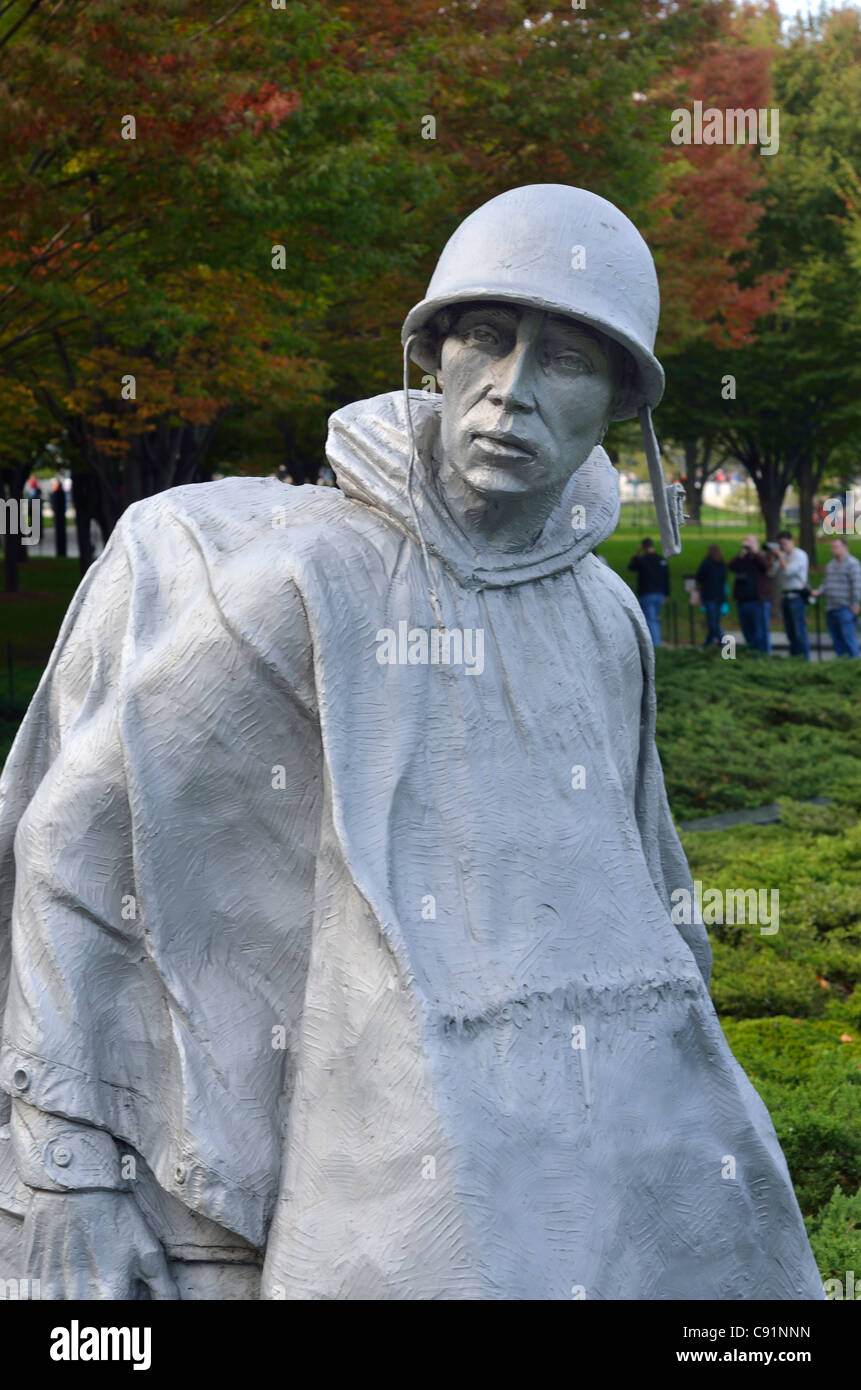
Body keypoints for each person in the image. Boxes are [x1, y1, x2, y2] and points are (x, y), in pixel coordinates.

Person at [0, 185, 822, 1301]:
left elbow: (653, 888)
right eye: (486, 338)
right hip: (373, 1190)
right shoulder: (304, 582)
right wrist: (65, 1168)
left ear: (622, 403)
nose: (512, 392)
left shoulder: (606, 620)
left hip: (576, 1186)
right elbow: (78, 844)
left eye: (568, 361)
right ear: (433, 351)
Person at [811, 536, 861, 658]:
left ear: (845, 547)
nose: (833, 550)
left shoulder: (852, 564)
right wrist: (819, 591)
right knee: (837, 639)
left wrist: (855, 603)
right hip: (831, 607)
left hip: (846, 608)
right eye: (832, 547)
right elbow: (826, 583)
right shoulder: (830, 565)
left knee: (848, 638)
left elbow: (857, 584)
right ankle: (841, 665)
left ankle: (854, 666)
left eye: (836, 547)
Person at [728, 534, 770, 653]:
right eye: (746, 542)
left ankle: (763, 656)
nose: (748, 545)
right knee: (747, 631)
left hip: (758, 601)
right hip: (743, 601)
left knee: (760, 632)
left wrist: (755, 552)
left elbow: (767, 567)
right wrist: (742, 554)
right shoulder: (743, 559)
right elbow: (731, 566)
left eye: (750, 542)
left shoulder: (761, 556)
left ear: (756, 544)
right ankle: (751, 654)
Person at [628, 536, 669, 646]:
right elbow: (666, 578)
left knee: (651, 620)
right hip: (660, 593)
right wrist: (666, 594)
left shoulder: (642, 560)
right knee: (655, 619)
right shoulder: (661, 560)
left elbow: (631, 567)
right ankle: (656, 642)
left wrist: (637, 553)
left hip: (647, 593)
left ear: (643, 547)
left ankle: (656, 644)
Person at [775, 530, 810, 659]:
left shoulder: (800, 555)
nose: (782, 547)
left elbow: (789, 571)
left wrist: (779, 556)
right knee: (790, 632)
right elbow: (771, 572)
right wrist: (774, 557)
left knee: (799, 631)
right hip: (785, 597)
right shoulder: (783, 556)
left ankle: (804, 659)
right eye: (780, 544)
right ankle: (794, 658)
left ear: (792, 541)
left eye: (784, 543)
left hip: (797, 598)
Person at [694, 543, 726, 648]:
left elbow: (699, 577)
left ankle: (719, 640)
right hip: (719, 595)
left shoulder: (706, 563)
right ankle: (710, 642)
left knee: (712, 621)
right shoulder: (721, 563)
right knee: (715, 620)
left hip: (709, 595)